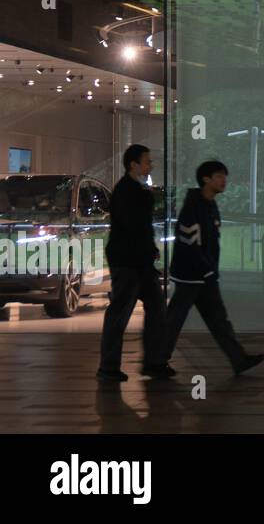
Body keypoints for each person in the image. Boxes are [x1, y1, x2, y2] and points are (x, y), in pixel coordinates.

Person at [164, 161, 264, 375]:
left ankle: (238, 359)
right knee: (176, 319)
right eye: (219, 176)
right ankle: (156, 360)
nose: (223, 180)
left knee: (216, 319)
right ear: (205, 179)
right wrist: (207, 269)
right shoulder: (194, 206)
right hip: (190, 276)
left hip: (203, 275)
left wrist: (210, 270)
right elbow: (190, 242)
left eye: (224, 176)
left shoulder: (209, 205)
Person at [96, 144, 171, 382]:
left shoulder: (132, 189)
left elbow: (139, 227)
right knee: (122, 312)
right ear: (133, 164)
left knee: (154, 308)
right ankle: (111, 367)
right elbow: (135, 227)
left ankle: (153, 362)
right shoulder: (127, 191)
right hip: (129, 262)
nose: (151, 165)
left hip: (138, 261)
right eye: (147, 161)